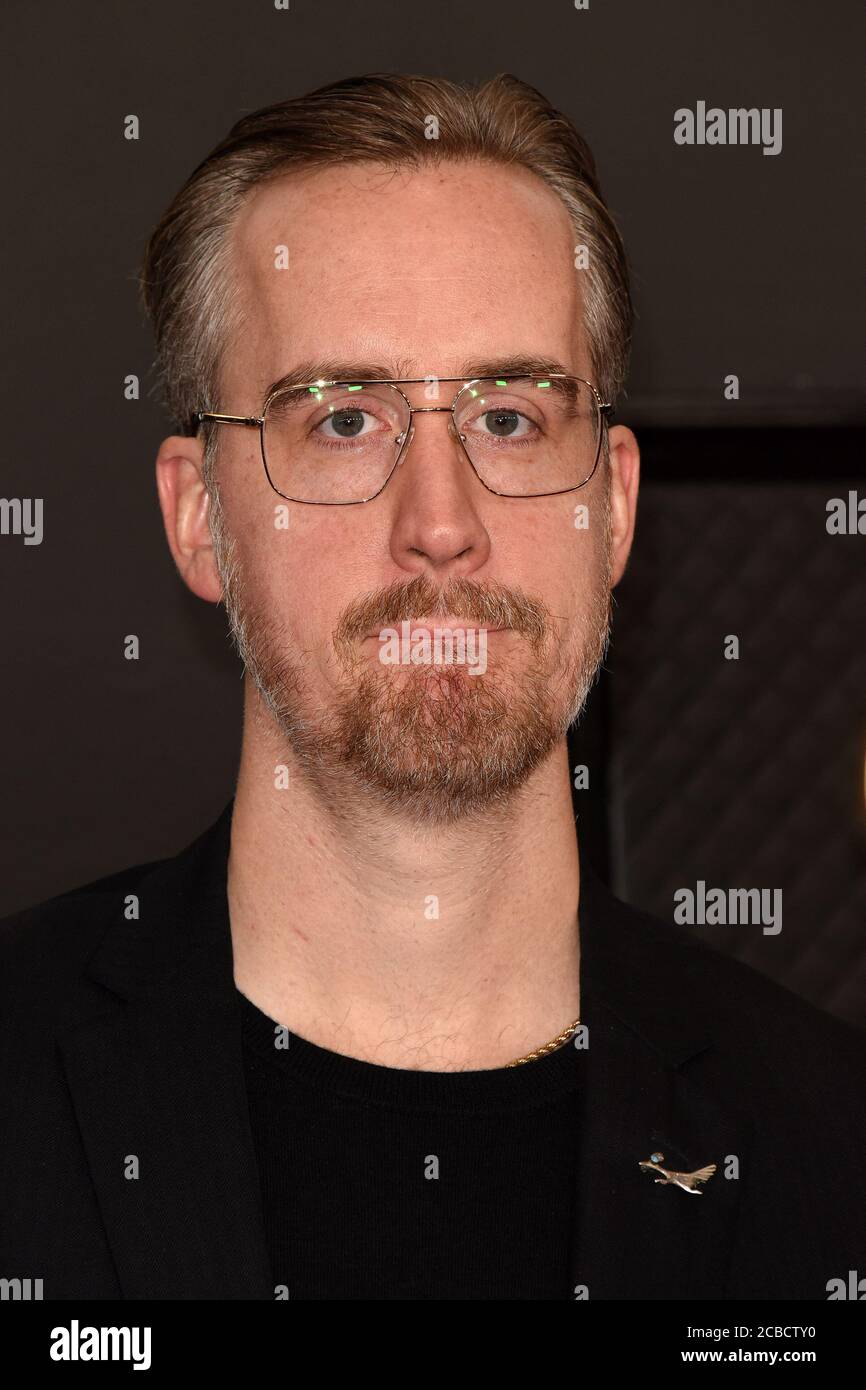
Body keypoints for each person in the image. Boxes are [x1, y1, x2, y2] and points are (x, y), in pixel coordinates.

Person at [1, 72, 864, 1302]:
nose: (440, 524)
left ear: (611, 505)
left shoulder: (829, 1152)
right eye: (343, 419)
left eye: (509, 418)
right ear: (201, 519)